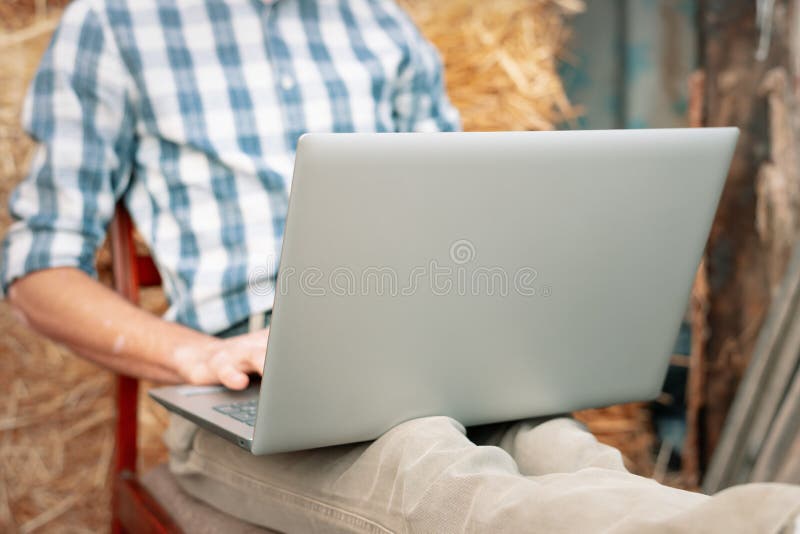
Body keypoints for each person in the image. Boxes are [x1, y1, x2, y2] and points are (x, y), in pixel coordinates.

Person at [3, 0, 799, 531]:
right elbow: (40, 274)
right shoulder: (115, 24)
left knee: (566, 449)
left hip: (420, 350)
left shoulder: (378, 24)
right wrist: (198, 355)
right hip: (248, 379)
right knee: (431, 473)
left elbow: (456, 209)